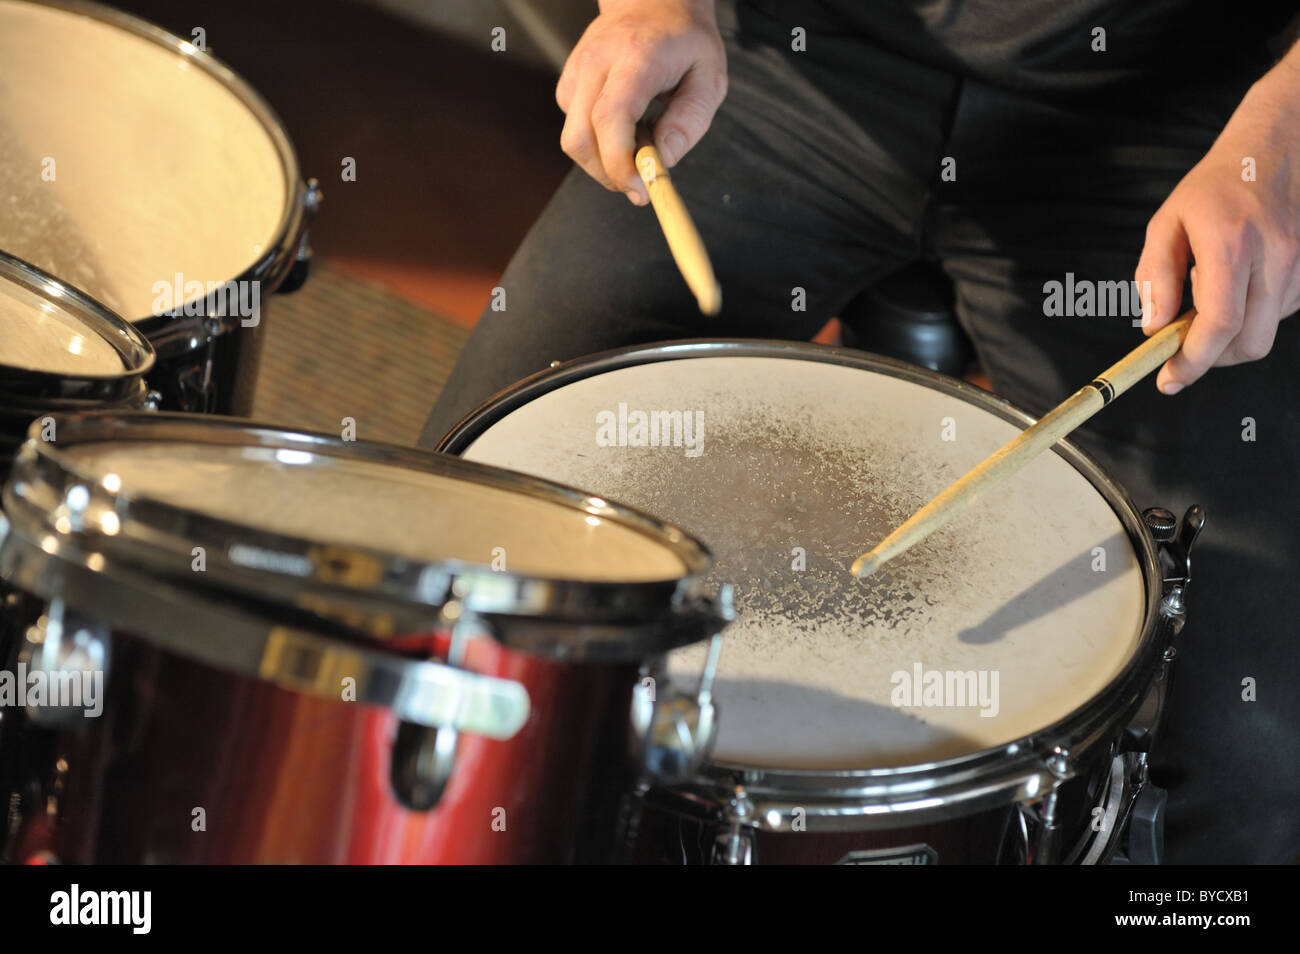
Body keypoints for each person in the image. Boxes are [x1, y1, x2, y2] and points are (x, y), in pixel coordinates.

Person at [421, 0, 1300, 863]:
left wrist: (1284, 137)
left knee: (1249, 749)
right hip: (790, 65)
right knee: (444, 563)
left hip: (1181, 115)